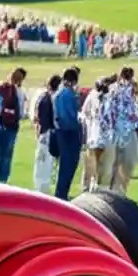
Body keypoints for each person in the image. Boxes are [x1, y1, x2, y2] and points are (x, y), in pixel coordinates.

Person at [108, 67, 138, 194]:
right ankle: (119, 191)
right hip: (127, 132)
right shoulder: (129, 90)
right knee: (126, 165)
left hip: (113, 133)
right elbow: (132, 114)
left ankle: (111, 190)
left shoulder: (112, 89)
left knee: (113, 164)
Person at [53, 67, 82, 200]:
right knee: (69, 165)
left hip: (60, 131)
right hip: (69, 133)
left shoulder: (58, 94)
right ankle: (62, 194)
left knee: (64, 165)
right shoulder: (68, 94)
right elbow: (70, 116)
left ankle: (61, 192)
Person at [31, 75, 62, 194]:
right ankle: (41, 189)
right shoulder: (47, 99)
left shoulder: (46, 97)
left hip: (46, 134)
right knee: (44, 163)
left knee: (44, 163)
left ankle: (42, 187)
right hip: (47, 134)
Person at [0, 67, 26, 183]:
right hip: (12, 126)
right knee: (7, 154)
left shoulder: (2, 87)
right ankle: (3, 179)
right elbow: (22, 113)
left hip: (0, 123)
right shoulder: (20, 92)